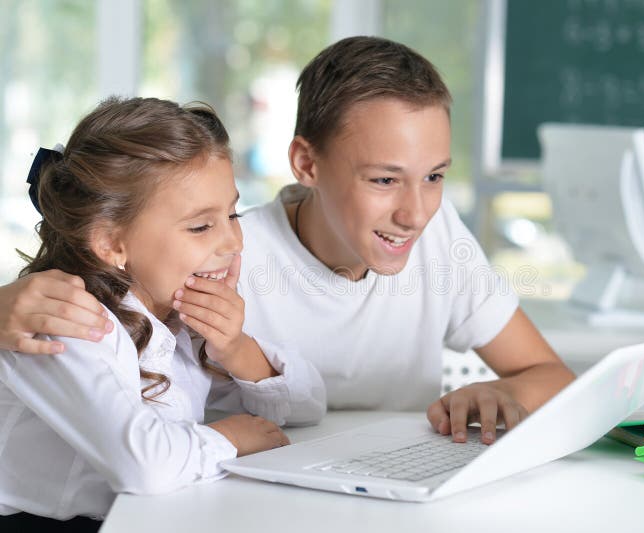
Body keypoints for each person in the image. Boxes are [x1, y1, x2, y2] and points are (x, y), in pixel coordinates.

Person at [0, 36, 573, 447]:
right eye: (383, 179)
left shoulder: (441, 238)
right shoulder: (221, 255)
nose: (416, 212)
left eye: (436, 175)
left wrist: (506, 395)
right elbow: (108, 336)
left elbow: (550, 375)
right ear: (306, 162)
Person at [0, 97, 325, 530]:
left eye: (233, 213)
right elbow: (144, 465)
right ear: (112, 244)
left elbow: (308, 405)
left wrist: (234, 347)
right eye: (200, 226)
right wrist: (228, 438)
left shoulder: (172, 313)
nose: (233, 242)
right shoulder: (68, 320)